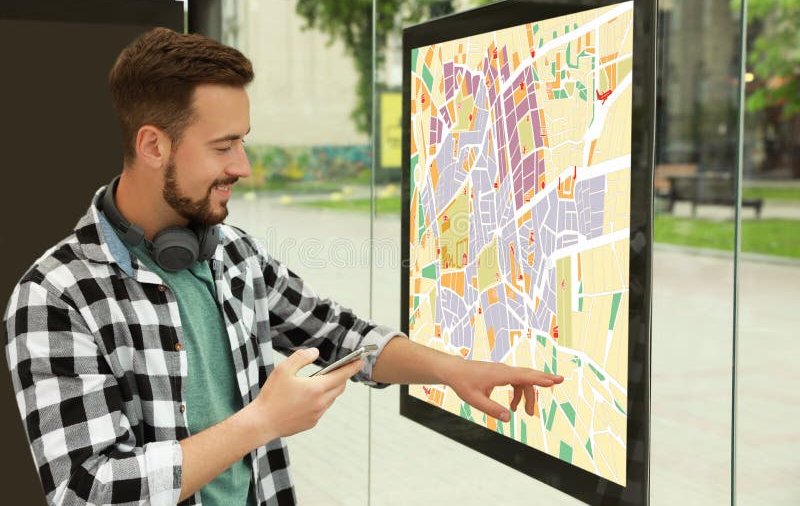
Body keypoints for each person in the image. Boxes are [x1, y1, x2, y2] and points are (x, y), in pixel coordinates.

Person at [3, 27, 563, 506]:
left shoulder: (231, 253)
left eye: (243, 143)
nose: (243, 166)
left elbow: (341, 336)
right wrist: (263, 421)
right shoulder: (54, 297)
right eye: (224, 146)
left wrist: (450, 371)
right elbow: (89, 491)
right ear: (153, 145)